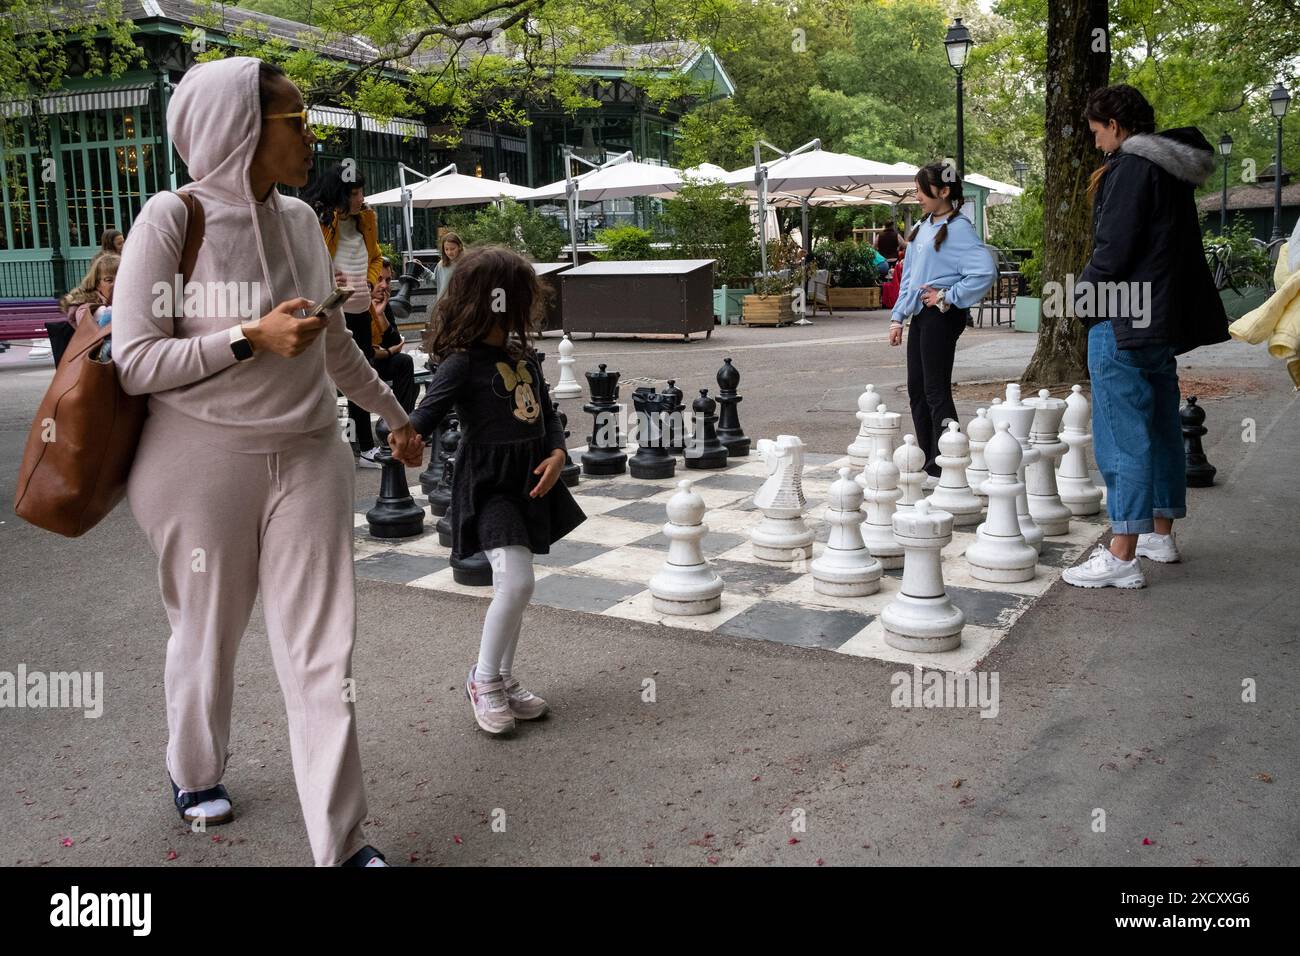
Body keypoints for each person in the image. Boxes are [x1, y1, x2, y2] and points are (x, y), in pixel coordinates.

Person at [112, 56, 422, 867]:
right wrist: (248, 336)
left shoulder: (297, 222)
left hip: (312, 454)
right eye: (296, 121)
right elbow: (136, 360)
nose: (312, 136)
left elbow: (336, 347)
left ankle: (342, 842)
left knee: (324, 651)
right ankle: (195, 768)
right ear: (239, 128)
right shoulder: (170, 219)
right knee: (206, 635)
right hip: (199, 460)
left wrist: (397, 417)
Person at [407, 245, 586, 736]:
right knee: (518, 583)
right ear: (491, 301)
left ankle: (503, 678)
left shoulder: (522, 355)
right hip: (489, 485)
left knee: (516, 583)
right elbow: (423, 417)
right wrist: (401, 437)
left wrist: (556, 453)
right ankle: (484, 680)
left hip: (529, 479)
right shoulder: (462, 364)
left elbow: (547, 414)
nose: (525, 310)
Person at [1062, 84, 1229, 590]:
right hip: (1158, 324)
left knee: (1122, 438)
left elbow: (1113, 249)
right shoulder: (1171, 172)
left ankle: (1121, 555)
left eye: (1097, 133)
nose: (1096, 145)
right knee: (1159, 429)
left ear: (1114, 123)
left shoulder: (1132, 168)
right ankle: (1160, 534)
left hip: (1123, 320)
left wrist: (1081, 302)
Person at [888, 163, 996, 479]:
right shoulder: (923, 226)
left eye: (922, 189)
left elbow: (984, 272)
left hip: (941, 316)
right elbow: (909, 277)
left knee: (935, 391)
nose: (918, 195)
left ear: (944, 191)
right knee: (917, 390)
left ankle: (948, 462)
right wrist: (897, 317)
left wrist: (947, 296)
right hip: (921, 317)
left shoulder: (960, 228)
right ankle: (929, 461)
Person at [302, 161, 386, 468]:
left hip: (360, 307)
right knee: (321, 377)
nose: (360, 197)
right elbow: (310, 258)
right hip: (330, 308)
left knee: (361, 374)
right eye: (354, 192)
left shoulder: (367, 219)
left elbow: (375, 256)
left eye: (362, 191)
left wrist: (369, 280)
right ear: (340, 193)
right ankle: (321, 444)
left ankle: (364, 446)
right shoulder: (321, 219)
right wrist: (327, 274)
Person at [369, 258, 417, 414]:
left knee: (404, 362)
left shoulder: (384, 302)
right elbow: (364, 351)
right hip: (357, 364)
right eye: (379, 279)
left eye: (388, 280)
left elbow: (395, 341)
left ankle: (404, 419)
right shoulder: (354, 304)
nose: (384, 286)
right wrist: (389, 352)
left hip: (376, 361)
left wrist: (380, 316)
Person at [52, 254, 118, 367]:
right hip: (97, 367)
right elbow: (88, 321)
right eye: (109, 280)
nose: (116, 283)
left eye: (121, 278)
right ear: (97, 284)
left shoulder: (122, 301)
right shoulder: (85, 306)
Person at [433, 231, 463, 304]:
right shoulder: (441, 264)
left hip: (462, 307)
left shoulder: (467, 263)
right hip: (444, 306)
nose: (449, 252)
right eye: (446, 249)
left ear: (459, 246)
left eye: (452, 249)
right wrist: (423, 270)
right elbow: (435, 280)